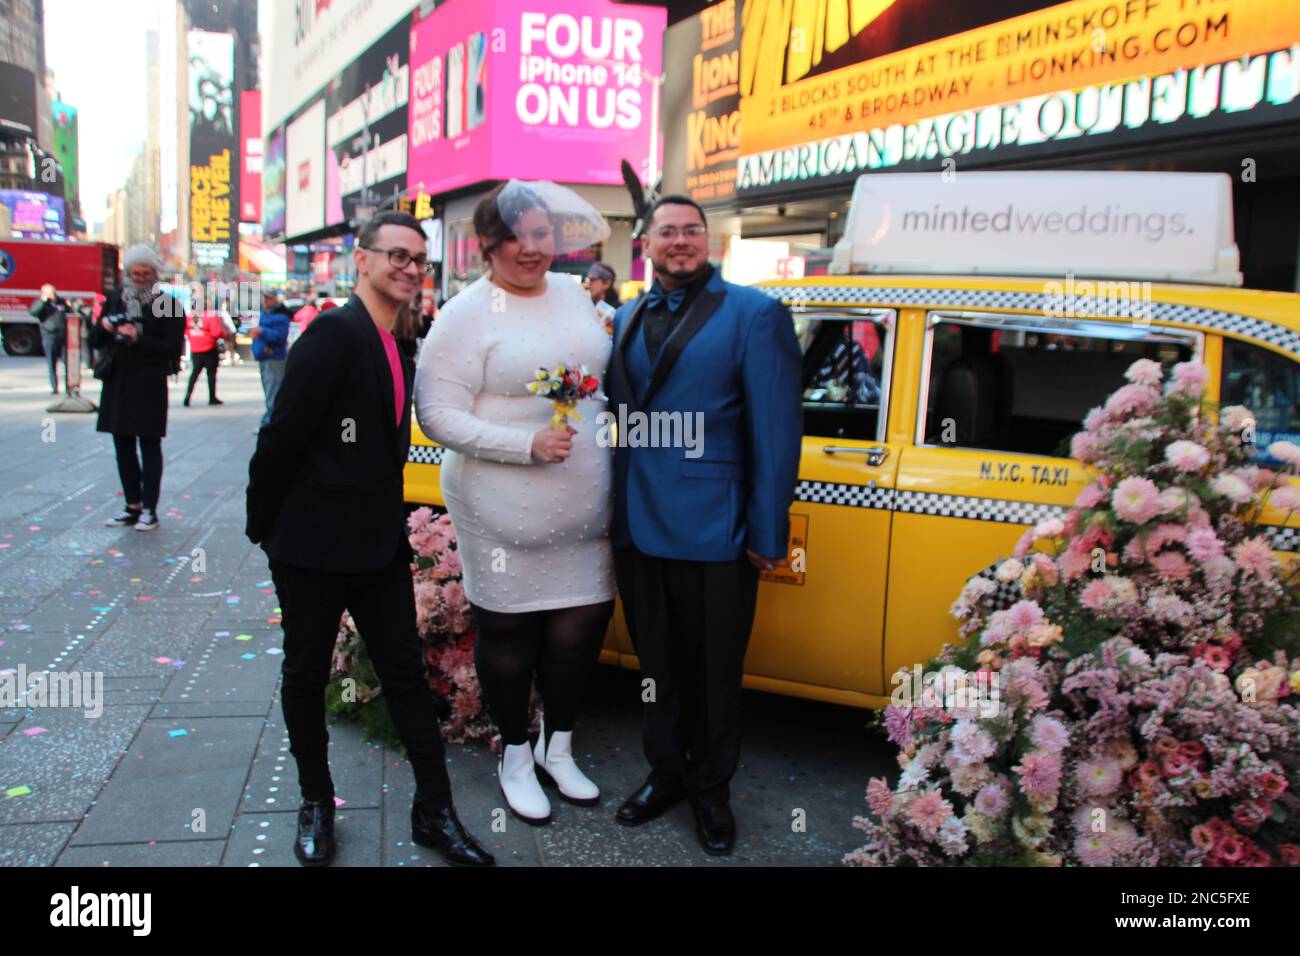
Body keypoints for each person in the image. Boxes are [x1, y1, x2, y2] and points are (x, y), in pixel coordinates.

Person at [245, 211, 493, 868]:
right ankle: (316, 804)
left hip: (378, 548)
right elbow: (280, 438)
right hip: (310, 549)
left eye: (420, 260)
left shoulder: (397, 340)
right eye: (398, 256)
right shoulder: (333, 334)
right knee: (303, 676)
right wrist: (263, 526)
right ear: (362, 260)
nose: (410, 269)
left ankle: (434, 810)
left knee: (406, 679)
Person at [414, 180, 614, 826]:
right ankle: (516, 754)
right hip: (500, 503)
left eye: (540, 234)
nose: (530, 250)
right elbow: (435, 413)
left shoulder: (575, 296)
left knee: (578, 630)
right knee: (509, 631)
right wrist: (522, 443)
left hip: (584, 502)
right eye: (514, 237)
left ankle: (560, 746)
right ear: (489, 245)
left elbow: (595, 384)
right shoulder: (466, 313)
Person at [607, 194, 802, 855]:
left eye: (693, 230)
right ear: (648, 243)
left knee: (714, 670)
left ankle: (711, 788)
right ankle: (665, 772)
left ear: (708, 240)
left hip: (715, 529)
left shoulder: (755, 314)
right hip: (637, 523)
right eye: (669, 231)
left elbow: (774, 434)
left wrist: (767, 534)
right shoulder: (625, 316)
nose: (681, 240)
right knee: (655, 664)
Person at [91, 244, 186, 533]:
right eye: (135, 273)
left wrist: (138, 338)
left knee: (149, 444)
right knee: (122, 445)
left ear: (155, 273)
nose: (141, 277)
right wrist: (105, 326)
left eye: (146, 272)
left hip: (149, 384)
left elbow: (172, 348)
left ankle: (149, 509)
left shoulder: (167, 303)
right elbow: (95, 341)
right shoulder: (114, 299)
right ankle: (131, 505)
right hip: (118, 382)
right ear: (127, 273)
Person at [251, 288, 291, 428]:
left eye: (268, 298)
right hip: (263, 356)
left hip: (274, 356)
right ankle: (271, 420)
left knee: (273, 390)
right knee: (269, 389)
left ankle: (270, 422)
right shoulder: (263, 313)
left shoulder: (280, 316)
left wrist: (262, 331)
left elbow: (280, 336)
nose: (265, 300)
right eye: (264, 297)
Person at [29, 283, 68, 393]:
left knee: (68, 362)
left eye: (51, 292)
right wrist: (43, 301)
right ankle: (55, 387)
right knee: (52, 362)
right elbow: (33, 312)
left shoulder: (61, 302)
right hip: (49, 336)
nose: (49, 294)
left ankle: (69, 385)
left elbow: (70, 313)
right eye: (46, 292)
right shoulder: (40, 303)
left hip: (63, 336)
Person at [183, 307, 225, 406]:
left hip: (195, 348)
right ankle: (212, 397)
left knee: (194, 373)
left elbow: (185, 330)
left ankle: (187, 397)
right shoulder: (210, 316)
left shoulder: (189, 316)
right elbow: (217, 332)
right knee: (211, 373)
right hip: (209, 348)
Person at [584, 262, 618, 333]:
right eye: (588, 280)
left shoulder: (620, 311)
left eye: (593, 279)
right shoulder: (586, 307)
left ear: (607, 283)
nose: (589, 283)